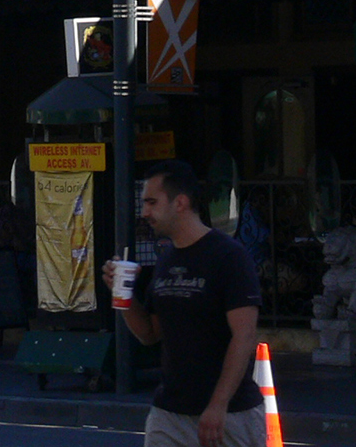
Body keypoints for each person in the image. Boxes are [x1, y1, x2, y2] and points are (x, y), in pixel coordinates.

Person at [104, 162, 265, 447]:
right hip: (170, 412)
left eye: (152, 202)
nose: (144, 213)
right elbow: (149, 334)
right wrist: (123, 297)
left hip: (230, 414)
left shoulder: (228, 256)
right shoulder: (166, 258)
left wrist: (218, 405)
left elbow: (245, 336)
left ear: (180, 202)